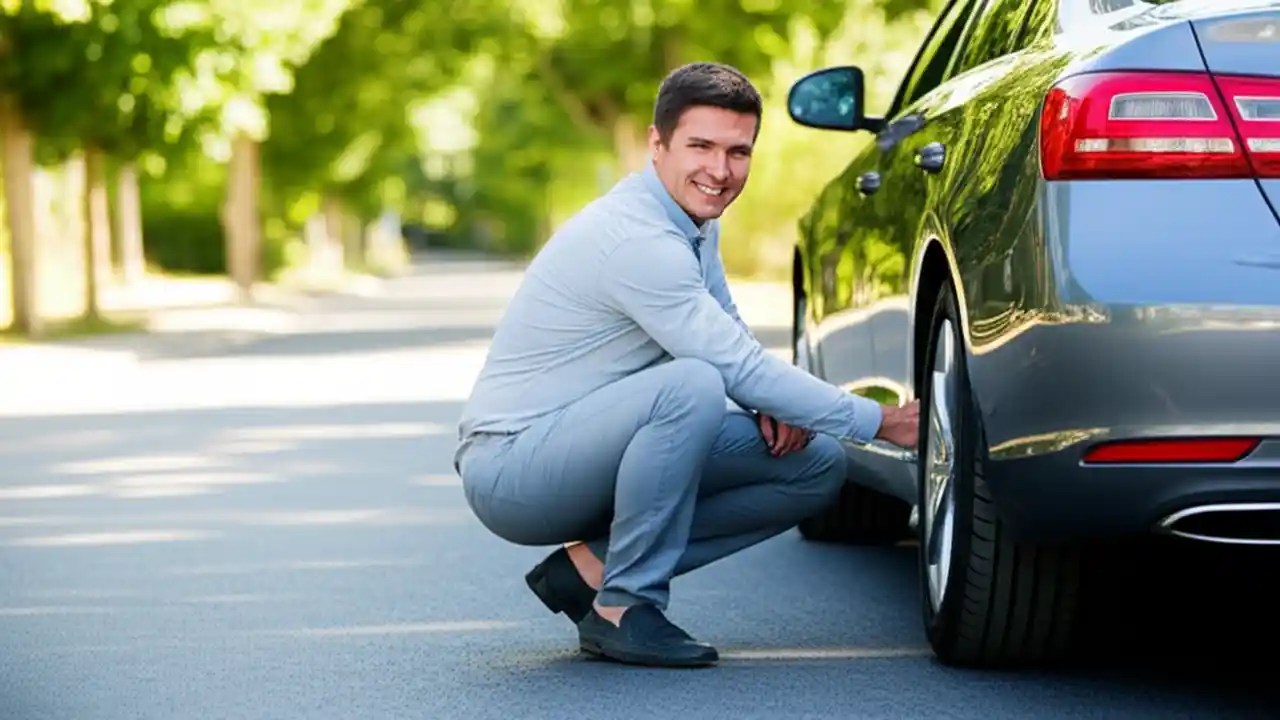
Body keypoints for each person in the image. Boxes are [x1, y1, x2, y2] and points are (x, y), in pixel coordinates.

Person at [454, 61, 919, 668]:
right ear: (657, 143)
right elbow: (726, 362)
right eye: (700, 146)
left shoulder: (693, 222)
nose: (720, 171)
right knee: (692, 385)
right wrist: (879, 421)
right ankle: (625, 606)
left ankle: (588, 570)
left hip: (591, 445)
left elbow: (726, 327)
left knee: (815, 464)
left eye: (738, 152)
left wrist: (770, 404)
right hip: (515, 470)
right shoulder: (638, 238)